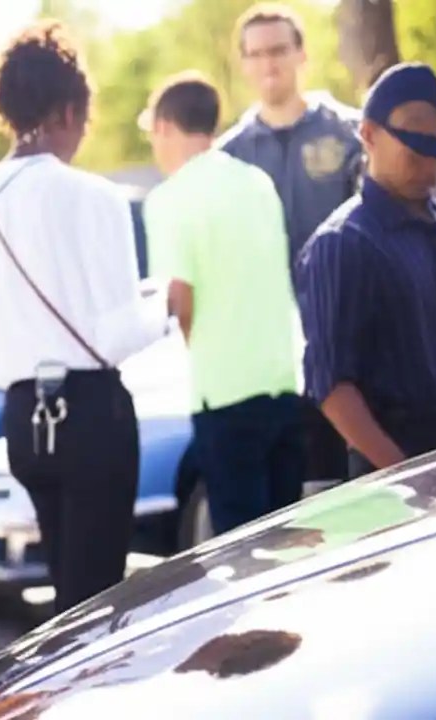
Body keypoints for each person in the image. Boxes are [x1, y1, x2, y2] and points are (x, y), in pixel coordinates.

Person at [0, 21, 167, 615]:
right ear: (71, 109)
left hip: (25, 420)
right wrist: (168, 307)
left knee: (66, 599)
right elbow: (118, 334)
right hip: (92, 413)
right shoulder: (95, 197)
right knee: (97, 602)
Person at [141, 72, 305, 535]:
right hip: (283, 381)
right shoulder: (258, 183)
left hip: (225, 393)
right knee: (286, 544)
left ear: (166, 127)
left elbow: (180, 298)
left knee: (241, 547)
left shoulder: (169, 199)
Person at [297, 62, 436, 479]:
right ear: (369, 134)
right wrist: (408, 477)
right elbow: (331, 385)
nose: (429, 165)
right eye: (414, 148)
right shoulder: (343, 242)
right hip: (393, 474)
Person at [219, 3, 364, 269]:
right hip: (265, 307)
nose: (268, 65)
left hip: (342, 302)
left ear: (302, 54)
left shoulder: (352, 134)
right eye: (256, 54)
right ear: (243, 64)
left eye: (278, 51)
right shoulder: (228, 156)